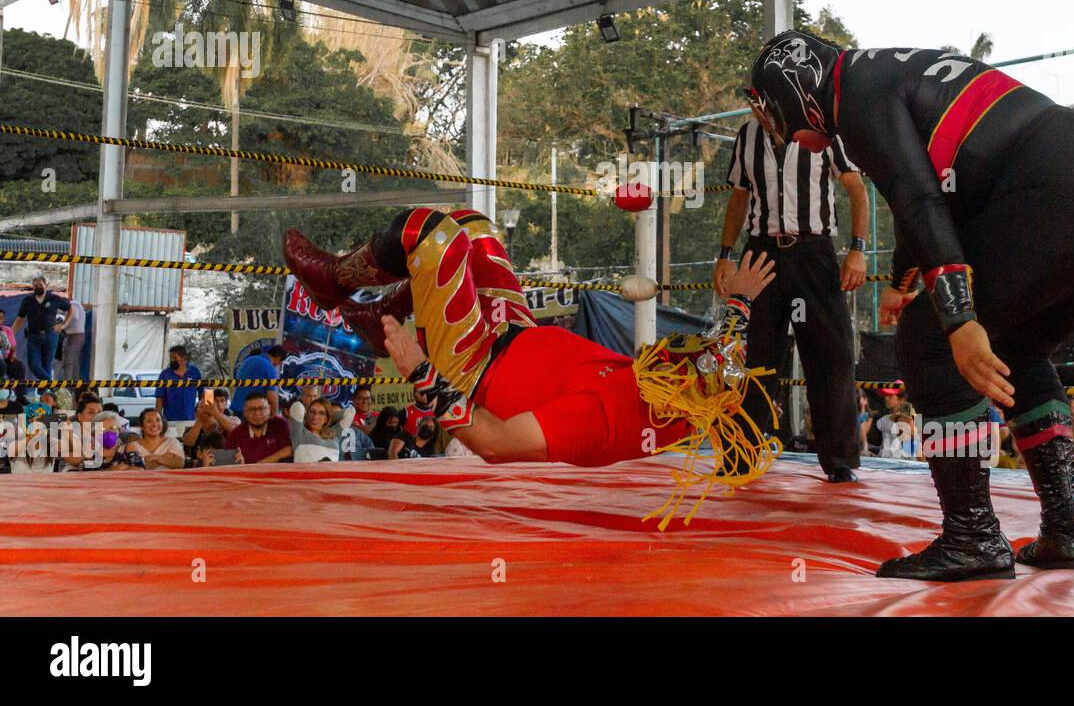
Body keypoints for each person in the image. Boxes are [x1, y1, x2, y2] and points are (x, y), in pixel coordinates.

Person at [746, 29, 1074, 580]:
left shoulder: (856, 96)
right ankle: (1067, 529)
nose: (780, 129)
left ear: (798, 88)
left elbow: (918, 199)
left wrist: (957, 318)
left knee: (930, 339)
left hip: (1062, 191)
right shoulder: (881, 73)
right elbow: (937, 195)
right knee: (1018, 350)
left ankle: (972, 538)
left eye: (774, 109)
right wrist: (902, 279)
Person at [282, 207, 780, 527]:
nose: (672, 350)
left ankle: (333, 281)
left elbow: (495, 444)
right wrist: (741, 302)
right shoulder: (673, 391)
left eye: (680, 358)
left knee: (432, 234)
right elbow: (724, 350)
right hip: (516, 332)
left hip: (473, 368)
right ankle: (379, 314)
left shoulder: (606, 419)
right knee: (473, 226)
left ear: (680, 392)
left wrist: (417, 370)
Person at [713, 110, 867, 483]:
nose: (759, 108)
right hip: (761, 252)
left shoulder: (824, 132)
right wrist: (725, 254)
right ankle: (740, 454)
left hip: (813, 251)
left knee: (831, 352)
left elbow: (856, 188)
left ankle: (839, 460)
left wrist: (857, 248)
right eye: (754, 101)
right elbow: (739, 196)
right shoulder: (747, 135)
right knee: (755, 354)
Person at [12, 275, 70, 381]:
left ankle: (43, 394)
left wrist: (63, 325)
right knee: (33, 364)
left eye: (40, 285)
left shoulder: (54, 298)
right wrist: (10, 334)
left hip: (51, 335)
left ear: (46, 285)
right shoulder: (28, 300)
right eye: (35, 285)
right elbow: (20, 318)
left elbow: (71, 309)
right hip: (33, 336)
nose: (38, 287)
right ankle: (50, 383)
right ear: (32, 287)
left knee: (46, 365)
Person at [224, 391, 293, 465]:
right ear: (245, 412)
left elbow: (289, 450)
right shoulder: (235, 434)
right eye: (251, 409)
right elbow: (227, 463)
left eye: (261, 408)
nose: (257, 413)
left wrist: (258, 465)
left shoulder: (279, 424)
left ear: (269, 409)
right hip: (247, 475)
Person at [288, 397, 355, 463]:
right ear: (307, 413)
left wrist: (330, 417)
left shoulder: (334, 433)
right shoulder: (299, 433)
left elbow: (350, 412)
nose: (315, 417)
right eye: (312, 412)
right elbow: (297, 407)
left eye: (321, 413)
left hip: (331, 473)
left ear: (327, 418)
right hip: (305, 473)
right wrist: (308, 416)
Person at [181, 388, 240, 456]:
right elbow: (188, 443)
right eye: (215, 401)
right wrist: (200, 420)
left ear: (226, 403)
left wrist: (215, 412)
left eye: (222, 400)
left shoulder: (232, 420)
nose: (218, 404)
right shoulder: (192, 428)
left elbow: (233, 429)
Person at [156, 345, 202, 427]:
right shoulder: (165, 374)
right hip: (170, 420)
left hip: (190, 419)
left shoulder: (194, 371)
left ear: (183, 358)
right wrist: (158, 419)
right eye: (170, 358)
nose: (172, 360)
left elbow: (204, 393)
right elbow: (159, 398)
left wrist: (208, 414)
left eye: (174, 357)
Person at [233, 345, 284, 415]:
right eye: (280, 362)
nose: (279, 364)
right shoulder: (269, 367)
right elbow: (271, 397)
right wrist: (275, 415)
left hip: (237, 407)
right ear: (279, 358)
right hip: (252, 412)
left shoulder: (248, 360)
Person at [56, 298, 86, 381]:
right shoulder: (76, 304)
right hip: (72, 336)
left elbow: (73, 317)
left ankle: (67, 385)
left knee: (68, 362)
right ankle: (73, 385)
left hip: (75, 336)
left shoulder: (74, 304)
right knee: (73, 362)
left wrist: (62, 323)